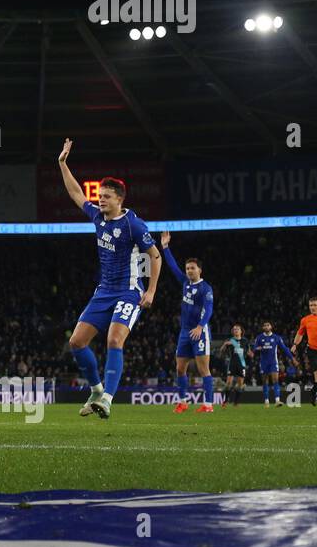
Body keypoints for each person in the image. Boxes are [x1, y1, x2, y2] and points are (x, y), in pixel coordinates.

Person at [57, 138, 162, 420]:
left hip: (129, 291)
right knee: (77, 342)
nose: (100, 199)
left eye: (106, 196)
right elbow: (77, 194)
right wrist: (62, 164)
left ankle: (107, 399)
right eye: (100, 196)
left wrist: (150, 291)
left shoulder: (134, 225)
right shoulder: (97, 217)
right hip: (104, 291)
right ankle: (95, 389)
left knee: (115, 340)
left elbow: (156, 255)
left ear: (119, 199)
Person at [159, 232, 215, 414]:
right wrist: (165, 247)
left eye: (192, 268)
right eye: (187, 268)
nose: (189, 271)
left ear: (200, 270)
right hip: (184, 332)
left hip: (200, 331)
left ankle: (208, 405)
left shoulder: (206, 288)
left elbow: (209, 309)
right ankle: (183, 402)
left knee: (202, 369)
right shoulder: (184, 282)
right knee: (180, 368)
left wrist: (200, 326)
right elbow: (172, 266)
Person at [251, 321, 294, 406]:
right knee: (265, 381)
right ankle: (266, 401)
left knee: (275, 380)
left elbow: (284, 349)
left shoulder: (276, 337)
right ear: (263, 328)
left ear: (271, 327)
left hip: (273, 362)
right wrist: (257, 348)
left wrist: (292, 358)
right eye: (265, 325)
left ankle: (277, 400)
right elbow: (254, 348)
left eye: (268, 325)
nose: (266, 327)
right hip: (263, 362)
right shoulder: (259, 337)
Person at [215, 324, 249, 406]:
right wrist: (225, 344)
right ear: (233, 331)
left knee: (240, 384)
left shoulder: (245, 341)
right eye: (234, 329)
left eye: (237, 329)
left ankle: (236, 402)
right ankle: (225, 401)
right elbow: (221, 351)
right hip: (232, 363)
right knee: (228, 383)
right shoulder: (230, 340)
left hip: (242, 364)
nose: (236, 330)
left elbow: (248, 352)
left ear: (241, 331)